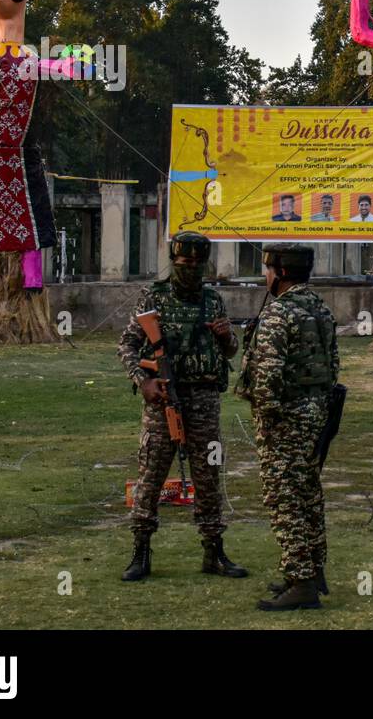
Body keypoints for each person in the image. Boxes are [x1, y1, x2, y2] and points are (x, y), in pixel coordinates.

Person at [116, 231, 246, 583]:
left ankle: (213, 551)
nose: (188, 268)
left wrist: (225, 337)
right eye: (182, 262)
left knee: (208, 477)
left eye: (195, 263)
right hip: (163, 399)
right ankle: (140, 551)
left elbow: (231, 351)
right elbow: (127, 345)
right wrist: (142, 382)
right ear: (173, 261)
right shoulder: (152, 298)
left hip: (204, 400)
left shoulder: (212, 301)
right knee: (152, 475)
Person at [237, 243, 340, 611]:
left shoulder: (279, 313)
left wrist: (267, 417)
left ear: (279, 272)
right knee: (308, 491)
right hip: (315, 412)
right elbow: (333, 364)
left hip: (283, 417)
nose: (265, 276)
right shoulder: (320, 309)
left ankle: (302, 582)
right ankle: (311, 568)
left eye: (267, 269)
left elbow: (266, 376)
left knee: (285, 498)